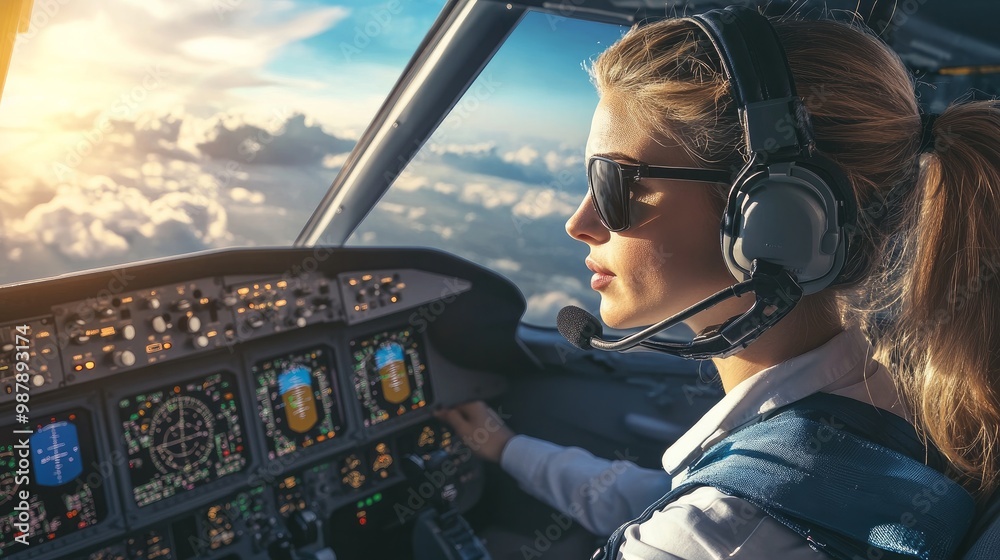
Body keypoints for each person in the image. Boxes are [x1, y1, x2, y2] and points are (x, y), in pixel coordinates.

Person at [438, 8, 1000, 559]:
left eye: (612, 183)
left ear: (776, 219)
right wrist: (508, 449)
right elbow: (664, 503)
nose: (579, 223)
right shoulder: (900, 407)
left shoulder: (714, 536)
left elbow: (707, 528)